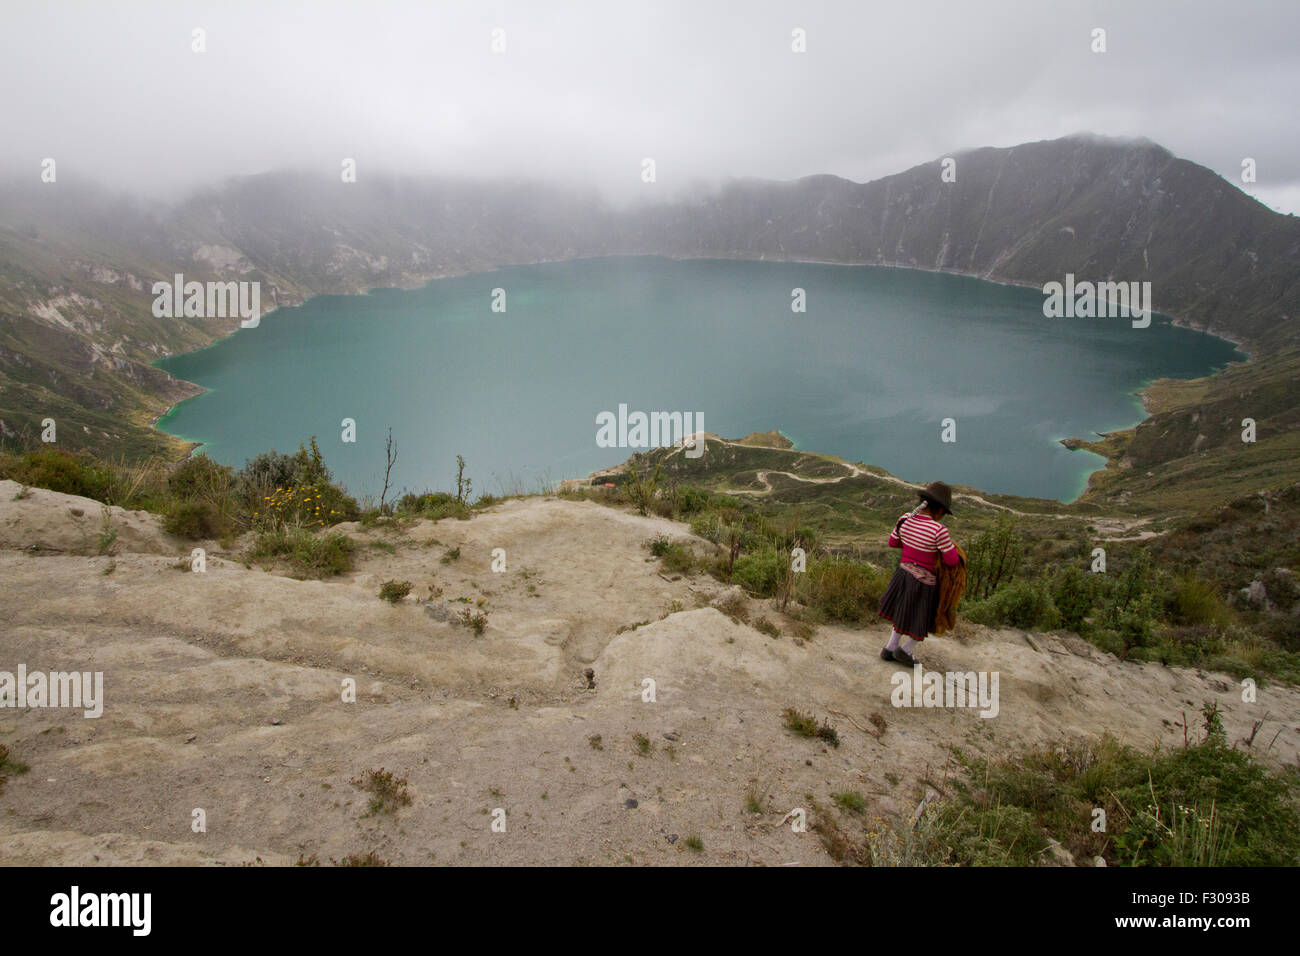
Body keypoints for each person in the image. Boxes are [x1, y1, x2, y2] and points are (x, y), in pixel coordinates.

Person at [878, 481, 958, 666]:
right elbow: (952, 560)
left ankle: (890, 647)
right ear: (938, 511)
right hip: (924, 583)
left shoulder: (905, 519)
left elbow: (893, 542)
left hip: (903, 575)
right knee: (923, 618)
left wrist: (912, 545)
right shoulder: (939, 531)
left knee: (902, 612)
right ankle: (904, 651)